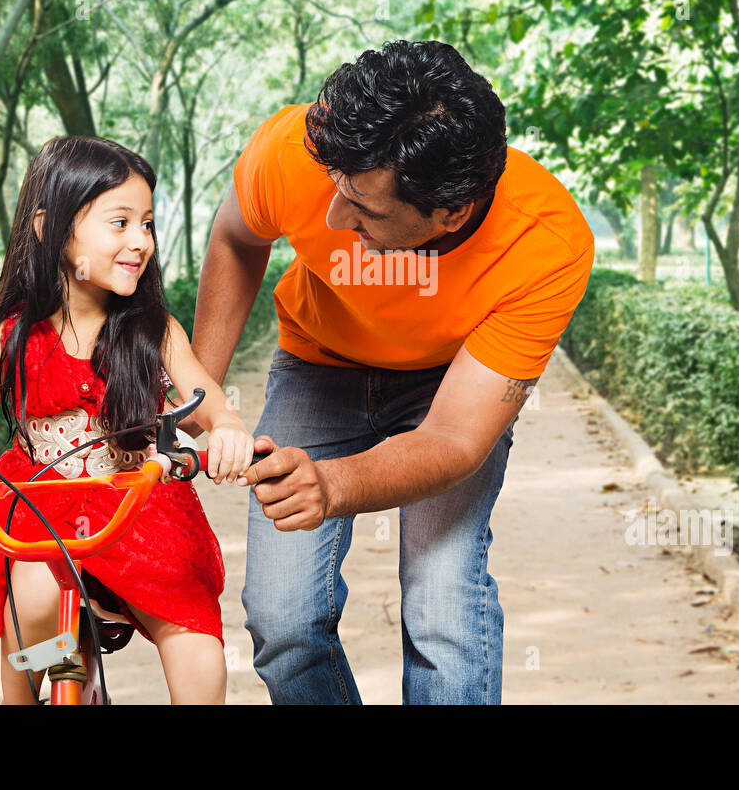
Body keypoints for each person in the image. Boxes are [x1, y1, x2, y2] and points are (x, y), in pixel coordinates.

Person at [191, 39, 596, 704]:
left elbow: (453, 440)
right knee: (282, 621)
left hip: (449, 382)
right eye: (337, 188)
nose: (331, 218)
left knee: (444, 609)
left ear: (451, 213)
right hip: (318, 367)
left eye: (365, 210)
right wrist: (199, 395)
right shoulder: (300, 147)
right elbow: (238, 237)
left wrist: (335, 483)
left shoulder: (545, 242)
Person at [0, 136, 255, 705]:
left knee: (198, 649)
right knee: (29, 607)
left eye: (148, 224)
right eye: (121, 223)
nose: (141, 242)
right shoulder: (14, 334)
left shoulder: (152, 328)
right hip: (42, 514)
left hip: (140, 513)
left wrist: (228, 430)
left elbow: (213, 404)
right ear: (51, 229)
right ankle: (43, 684)